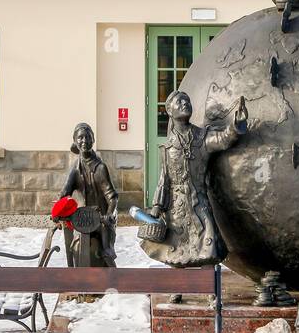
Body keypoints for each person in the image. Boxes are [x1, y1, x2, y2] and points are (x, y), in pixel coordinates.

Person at [139, 91, 247, 267]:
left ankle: (211, 289)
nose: (184, 104)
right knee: (175, 249)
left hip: (199, 201)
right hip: (176, 206)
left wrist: (236, 125)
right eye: (179, 101)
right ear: (169, 111)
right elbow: (163, 180)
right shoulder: (167, 147)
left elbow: (223, 139)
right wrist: (157, 208)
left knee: (208, 243)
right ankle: (178, 290)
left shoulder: (202, 137)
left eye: (187, 101)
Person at [61, 122, 119, 268]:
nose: (84, 141)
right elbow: (65, 193)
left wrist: (109, 214)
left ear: (92, 140)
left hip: (100, 220)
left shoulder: (100, 168)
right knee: (76, 248)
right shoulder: (75, 169)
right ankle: (79, 281)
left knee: (106, 251)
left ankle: (114, 279)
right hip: (81, 219)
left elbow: (112, 197)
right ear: (75, 141)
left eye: (88, 137)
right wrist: (59, 210)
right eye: (80, 138)